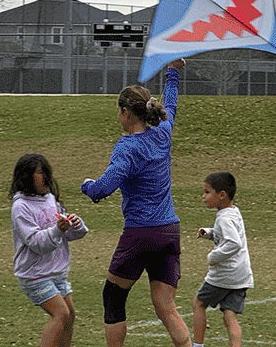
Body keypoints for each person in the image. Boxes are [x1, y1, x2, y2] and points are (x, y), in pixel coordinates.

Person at [81, 59, 192, 347]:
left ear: (126, 113)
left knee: (113, 297)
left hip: (141, 233)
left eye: (118, 111)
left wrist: (87, 186)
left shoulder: (128, 148)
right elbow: (172, 105)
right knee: (166, 307)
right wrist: (173, 73)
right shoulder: (162, 132)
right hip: (169, 230)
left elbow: (102, 189)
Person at [10, 152, 88, 347]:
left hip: (56, 272)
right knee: (61, 314)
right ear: (27, 177)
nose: (45, 176)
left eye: (46, 171)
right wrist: (57, 229)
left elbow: (65, 234)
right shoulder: (21, 207)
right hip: (34, 274)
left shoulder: (51, 199)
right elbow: (36, 242)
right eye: (39, 172)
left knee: (69, 316)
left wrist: (74, 225)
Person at [192, 171, 253, 347]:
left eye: (207, 192)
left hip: (224, 275)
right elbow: (229, 235)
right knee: (229, 314)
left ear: (222, 195)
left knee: (198, 304)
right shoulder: (233, 212)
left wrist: (213, 256)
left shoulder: (224, 218)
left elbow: (234, 243)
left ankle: (197, 345)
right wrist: (209, 233)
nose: (203, 197)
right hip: (241, 275)